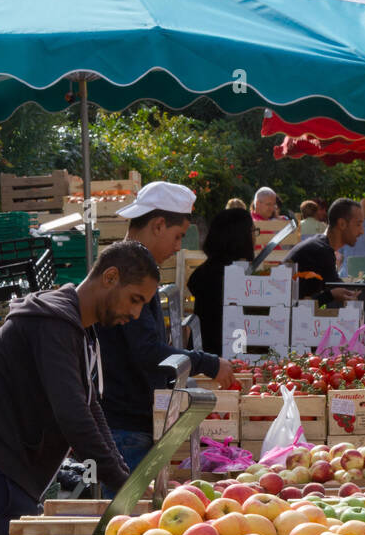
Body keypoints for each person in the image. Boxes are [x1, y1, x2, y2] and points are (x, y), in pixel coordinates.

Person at [0, 241, 158, 535]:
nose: (136, 313)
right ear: (110, 277)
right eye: (135, 299)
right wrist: (125, 486)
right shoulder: (54, 325)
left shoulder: (79, 329)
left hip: (8, 469)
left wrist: (129, 480)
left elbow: (90, 406)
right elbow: (73, 417)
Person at [97, 181, 233, 476]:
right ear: (158, 225)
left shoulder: (134, 267)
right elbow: (147, 352)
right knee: (127, 515)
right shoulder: (128, 275)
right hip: (124, 426)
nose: (178, 246)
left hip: (129, 420)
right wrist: (207, 363)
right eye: (178, 236)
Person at [187, 207, 256, 354]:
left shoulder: (209, 269)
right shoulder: (227, 276)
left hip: (206, 354)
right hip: (217, 360)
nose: (254, 237)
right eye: (252, 231)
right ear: (240, 236)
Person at [284, 198, 363, 304]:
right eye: (358, 224)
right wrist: (331, 295)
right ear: (342, 224)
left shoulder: (320, 246)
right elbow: (342, 292)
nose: (362, 231)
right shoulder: (321, 251)